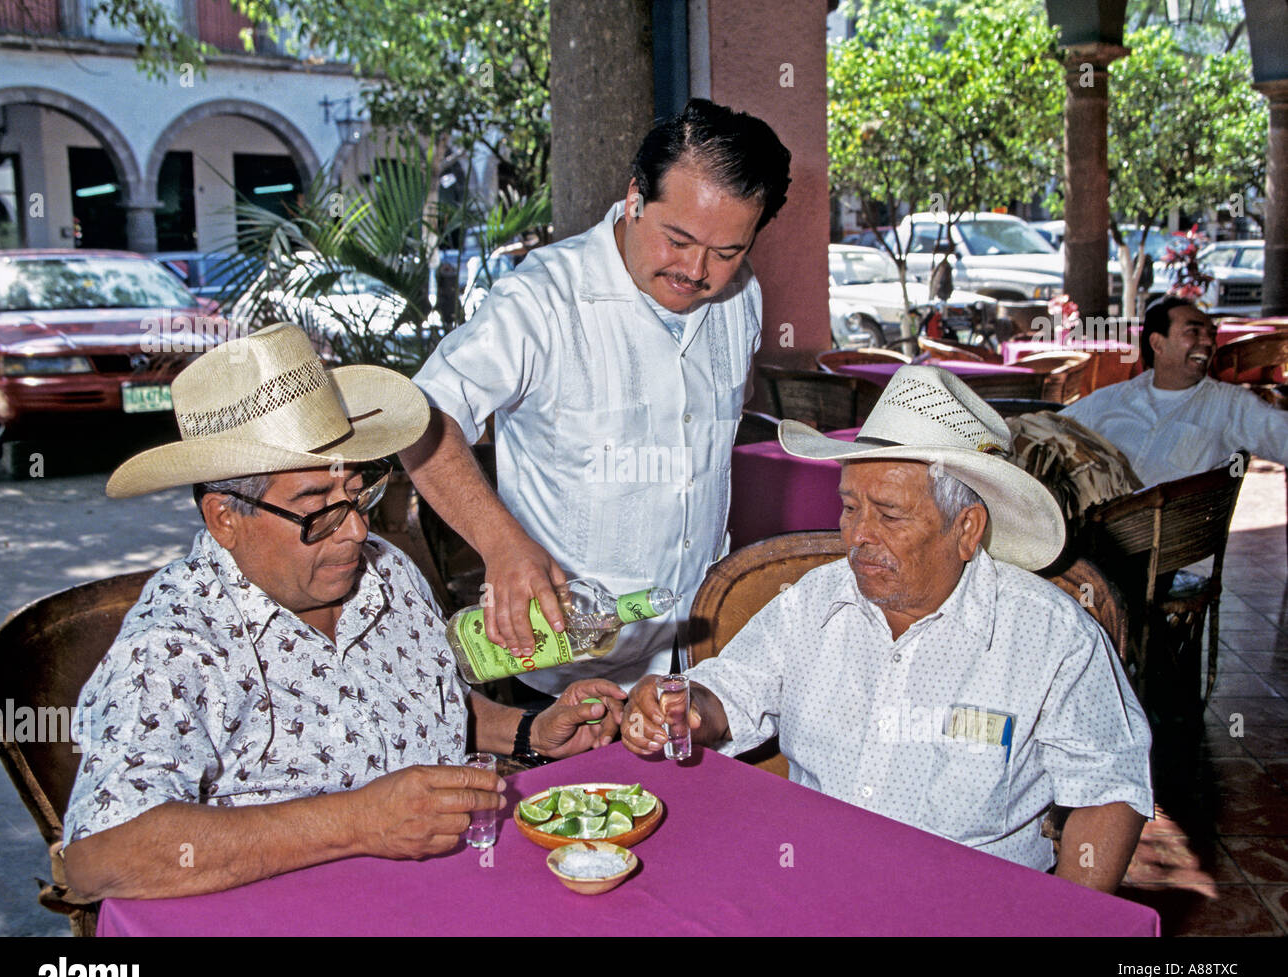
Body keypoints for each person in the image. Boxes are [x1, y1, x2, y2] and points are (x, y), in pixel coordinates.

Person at [61, 323, 624, 901]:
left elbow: (419, 706)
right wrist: (356, 823)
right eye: (316, 509)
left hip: (444, 892)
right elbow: (99, 856)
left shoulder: (386, 571)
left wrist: (529, 732)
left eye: (358, 494)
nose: (355, 530)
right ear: (224, 519)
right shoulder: (173, 642)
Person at [621, 366, 1153, 892]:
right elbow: (728, 694)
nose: (858, 535)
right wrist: (683, 705)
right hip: (810, 879)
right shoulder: (812, 600)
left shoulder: (1051, 636)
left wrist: (1070, 919)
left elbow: (1109, 788)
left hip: (969, 903)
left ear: (966, 528)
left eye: (890, 515)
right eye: (849, 507)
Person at [401, 98, 792, 695]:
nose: (696, 270)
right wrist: (502, 543)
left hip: (694, 655)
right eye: (678, 239)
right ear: (636, 198)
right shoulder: (543, 299)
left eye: (727, 252)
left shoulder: (741, 297)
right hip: (563, 671)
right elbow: (423, 417)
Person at [1062, 296, 1288, 487]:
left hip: (1175, 523)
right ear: (1158, 344)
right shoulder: (1112, 399)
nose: (1208, 342)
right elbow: (1050, 430)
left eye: (1211, 334)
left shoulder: (1231, 405)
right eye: (1193, 332)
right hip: (1101, 521)